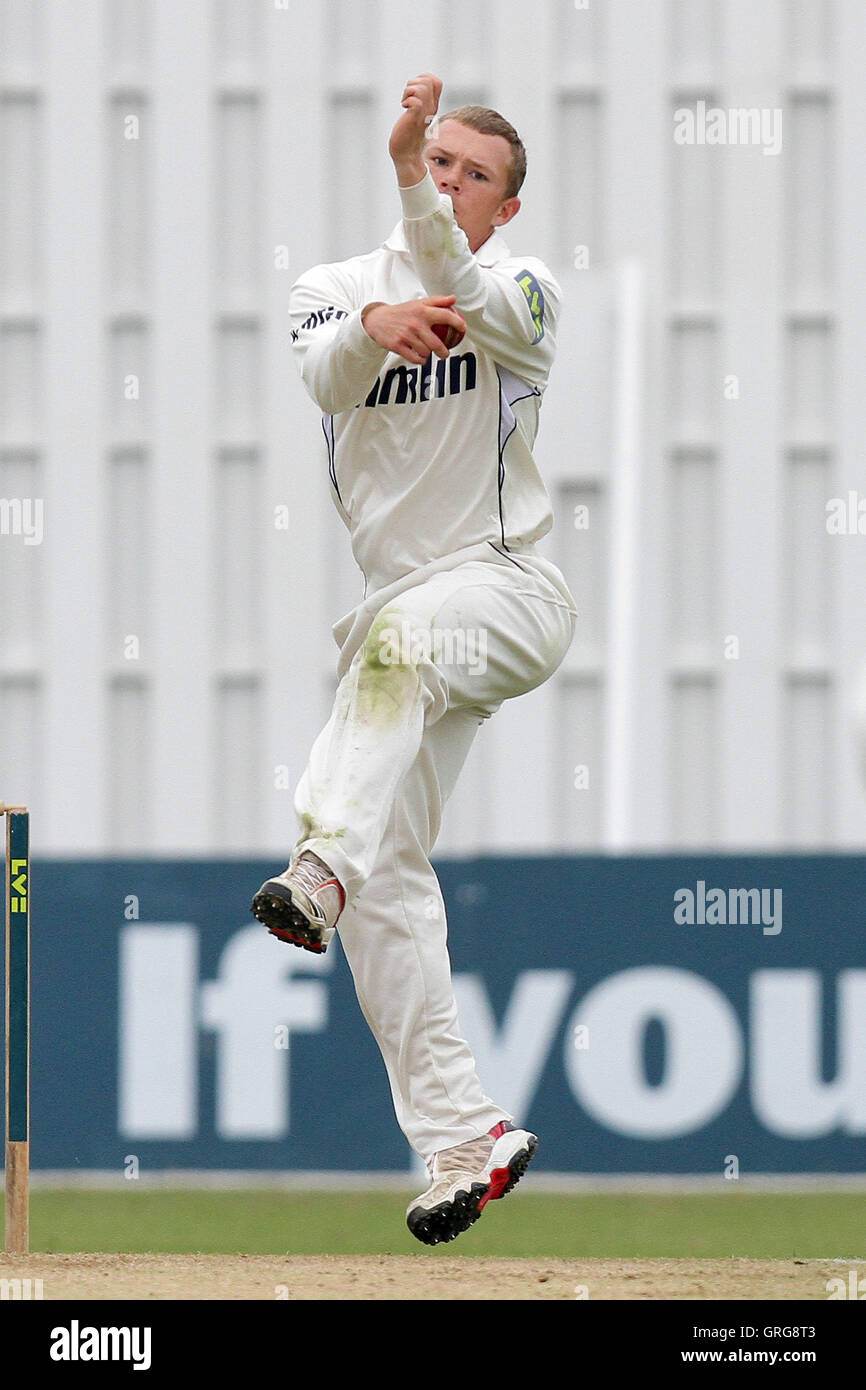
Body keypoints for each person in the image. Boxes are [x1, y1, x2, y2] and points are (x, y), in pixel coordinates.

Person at [252, 73, 577, 1245]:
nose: (444, 182)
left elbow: (473, 296)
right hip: (401, 622)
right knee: (394, 876)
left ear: (505, 207)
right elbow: (325, 372)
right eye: (431, 160)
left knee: (397, 650)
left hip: (504, 589)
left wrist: (406, 189)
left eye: (468, 173)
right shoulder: (330, 291)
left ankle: (316, 868)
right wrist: (371, 327)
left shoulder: (525, 295)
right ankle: (463, 1136)